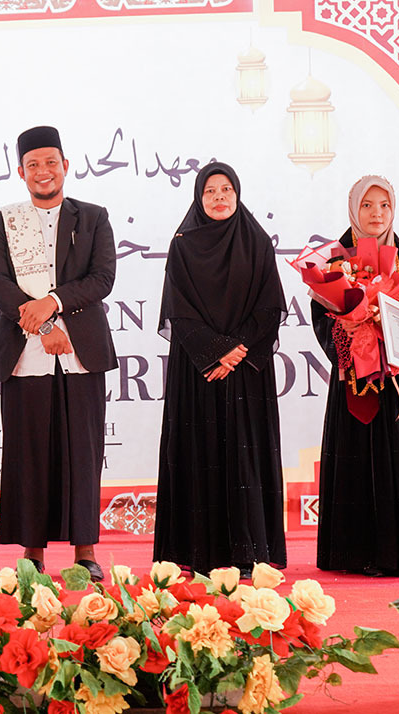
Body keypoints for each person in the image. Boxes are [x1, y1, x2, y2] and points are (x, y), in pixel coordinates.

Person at [0, 126, 117, 581]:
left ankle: (86, 551)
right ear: (20, 172)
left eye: (51, 162)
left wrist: (54, 304)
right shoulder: (3, 221)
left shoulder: (94, 217)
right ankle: (32, 551)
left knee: (83, 450)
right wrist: (42, 324)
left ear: (66, 165)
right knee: (29, 451)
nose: (44, 171)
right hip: (25, 353)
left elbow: (102, 278)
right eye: (33, 164)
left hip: (81, 352)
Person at [152, 162, 287, 578]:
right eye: (210, 190)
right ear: (198, 196)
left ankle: (250, 552)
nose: (219, 197)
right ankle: (196, 552)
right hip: (198, 372)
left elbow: (270, 306)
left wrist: (237, 350)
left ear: (238, 193)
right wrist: (216, 352)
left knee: (244, 456)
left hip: (245, 373)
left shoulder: (257, 241)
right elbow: (179, 310)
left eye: (227, 189)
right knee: (200, 452)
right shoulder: (182, 245)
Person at [314, 175, 399, 576]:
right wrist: (350, 331)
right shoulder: (335, 260)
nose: (376, 213)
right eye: (368, 205)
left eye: (384, 206)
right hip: (356, 384)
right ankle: (354, 555)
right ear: (354, 208)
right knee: (357, 460)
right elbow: (323, 322)